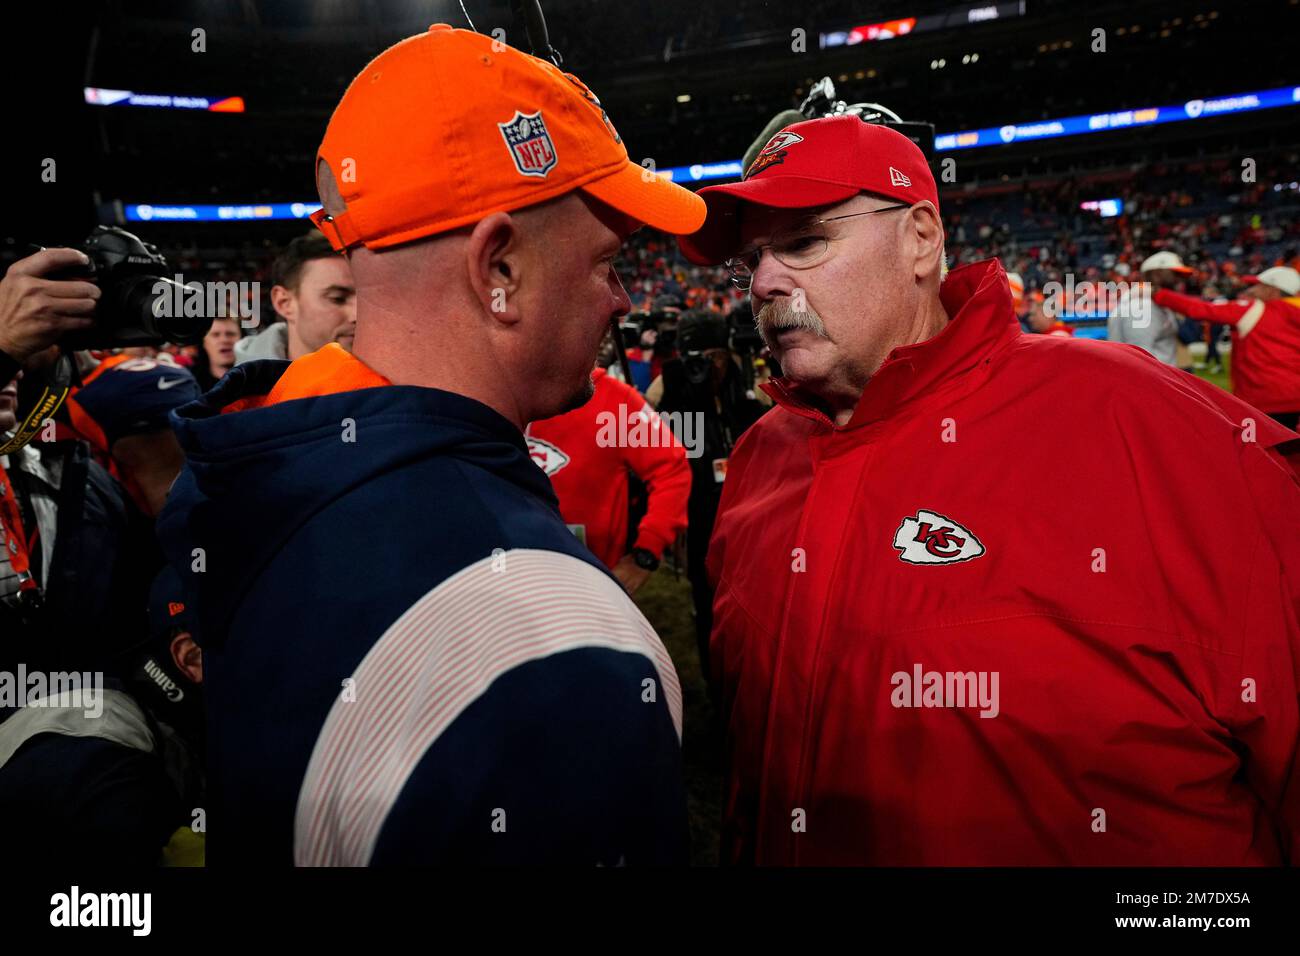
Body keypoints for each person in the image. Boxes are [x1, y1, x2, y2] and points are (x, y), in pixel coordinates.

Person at [676, 114, 1300, 865]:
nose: (767, 282)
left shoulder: (1145, 422)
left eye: (804, 242)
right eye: (750, 260)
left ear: (920, 239)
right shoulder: (758, 460)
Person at [158, 24, 706, 866]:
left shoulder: (257, 470)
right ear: (500, 271)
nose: (623, 300)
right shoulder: (555, 642)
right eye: (607, 262)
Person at [646, 311, 766, 679]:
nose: (708, 368)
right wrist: (668, 399)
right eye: (697, 359)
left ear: (727, 354)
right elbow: (661, 466)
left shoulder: (748, 393)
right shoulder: (673, 400)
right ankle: (719, 684)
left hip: (755, 528)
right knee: (710, 610)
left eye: (715, 356)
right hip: (702, 527)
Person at [525, 363, 690, 595]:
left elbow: (672, 470)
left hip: (594, 585)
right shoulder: (498, 393)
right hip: (512, 577)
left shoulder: (616, 400)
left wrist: (647, 551)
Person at [1153, 266, 1300, 430]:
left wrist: (1159, 294)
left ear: (1272, 290)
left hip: (1264, 399)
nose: (1252, 291)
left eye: (1258, 286)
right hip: (1295, 398)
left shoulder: (1256, 309)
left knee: (1260, 452)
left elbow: (1199, 309)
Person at [233, 232, 356, 363]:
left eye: (367, 300)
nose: (357, 315)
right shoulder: (245, 382)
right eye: (337, 299)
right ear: (284, 303)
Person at [1106, 251, 1189, 365]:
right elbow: (1139, 361)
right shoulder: (1141, 306)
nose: (1179, 280)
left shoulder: (1157, 303)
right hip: (1148, 380)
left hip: (1160, 376)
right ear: (1156, 274)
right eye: (1174, 274)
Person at [193, 314, 241, 391]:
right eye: (216, 335)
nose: (224, 340)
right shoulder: (191, 385)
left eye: (231, 334)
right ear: (204, 343)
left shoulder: (257, 381)